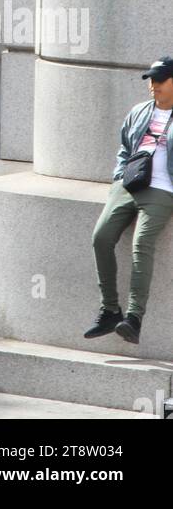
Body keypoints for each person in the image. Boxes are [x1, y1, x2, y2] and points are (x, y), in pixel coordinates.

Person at [85, 57, 173, 344]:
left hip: (162, 190)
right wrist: (118, 179)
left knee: (141, 243)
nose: (153, 85)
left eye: (160, 80)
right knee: (101, 237)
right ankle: (110, 310)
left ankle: (133, 318)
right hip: (128, 186)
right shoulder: (139, 112)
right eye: (151, 79)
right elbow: (124, 148)